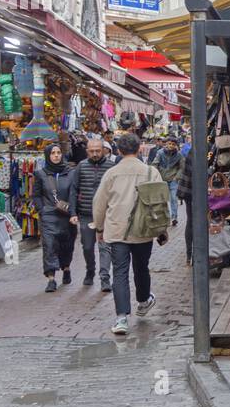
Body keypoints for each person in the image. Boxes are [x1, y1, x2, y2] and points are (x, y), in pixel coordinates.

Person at [91, 131, 167, 336]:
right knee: (142, 267)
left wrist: (99, 227)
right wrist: (161, 230)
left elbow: (99, 204)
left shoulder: (112, 174)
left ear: (119, 150)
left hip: (117, 231)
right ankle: (143, 301)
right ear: (139, 147)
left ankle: (121, 318)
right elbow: (161, 203)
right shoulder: (151, 172)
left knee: (120, 272)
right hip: (143, 230)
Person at [72, 137, 115, 292]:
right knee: (88, 246)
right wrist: (73, 212)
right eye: (92, 151)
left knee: (105, 247)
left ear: (103, 150)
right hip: (86, 214)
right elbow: (74, 189)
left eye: (98, 150)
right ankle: (90, 270)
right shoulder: (81, 167)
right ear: (87, 151)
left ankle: (105, 278)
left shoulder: (111, 167)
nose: (95, 154)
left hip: (106, 215)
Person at [34, 143, 77, 292]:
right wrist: (42, 210)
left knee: (67, 244)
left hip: (67, 215)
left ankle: (66, 268)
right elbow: (36, 194)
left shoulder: (71, 172)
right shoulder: (41, 174)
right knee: (49, 245)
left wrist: (73, 212)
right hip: (49, 215)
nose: (56, 155)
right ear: (48, 156)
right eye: (53, 153)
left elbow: (74, 193)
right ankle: (51, 278)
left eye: (58, 152)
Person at [154, 137, 185, 226]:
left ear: (176, 146)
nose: (171, 146)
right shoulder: (160, 153)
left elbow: (182, 168)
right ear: (166, 144)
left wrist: (176, 177)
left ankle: (174, 217)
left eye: (173, 144)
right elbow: (155, 164)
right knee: (162, 199)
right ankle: (164, 217)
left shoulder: (179, 155)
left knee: (173, 199)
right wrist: (157, 175)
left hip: (173, 180)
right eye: (169, 144)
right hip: (162, 179)